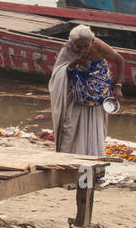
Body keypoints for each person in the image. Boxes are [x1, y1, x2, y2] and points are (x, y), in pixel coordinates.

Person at [49, 24, 123, 156]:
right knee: (70, 128)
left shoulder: (98, 46)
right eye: (78, 47)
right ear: (72, 44)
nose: (83, 49)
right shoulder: (68, 49)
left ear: (92, 42)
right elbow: (59, 72)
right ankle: (70, 160)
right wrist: (73, 63)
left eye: (86, 46)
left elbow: (120, 60)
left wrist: (118, 86)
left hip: (98, 98)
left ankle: (94, 161)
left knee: (95, 129)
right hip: (76, 100)